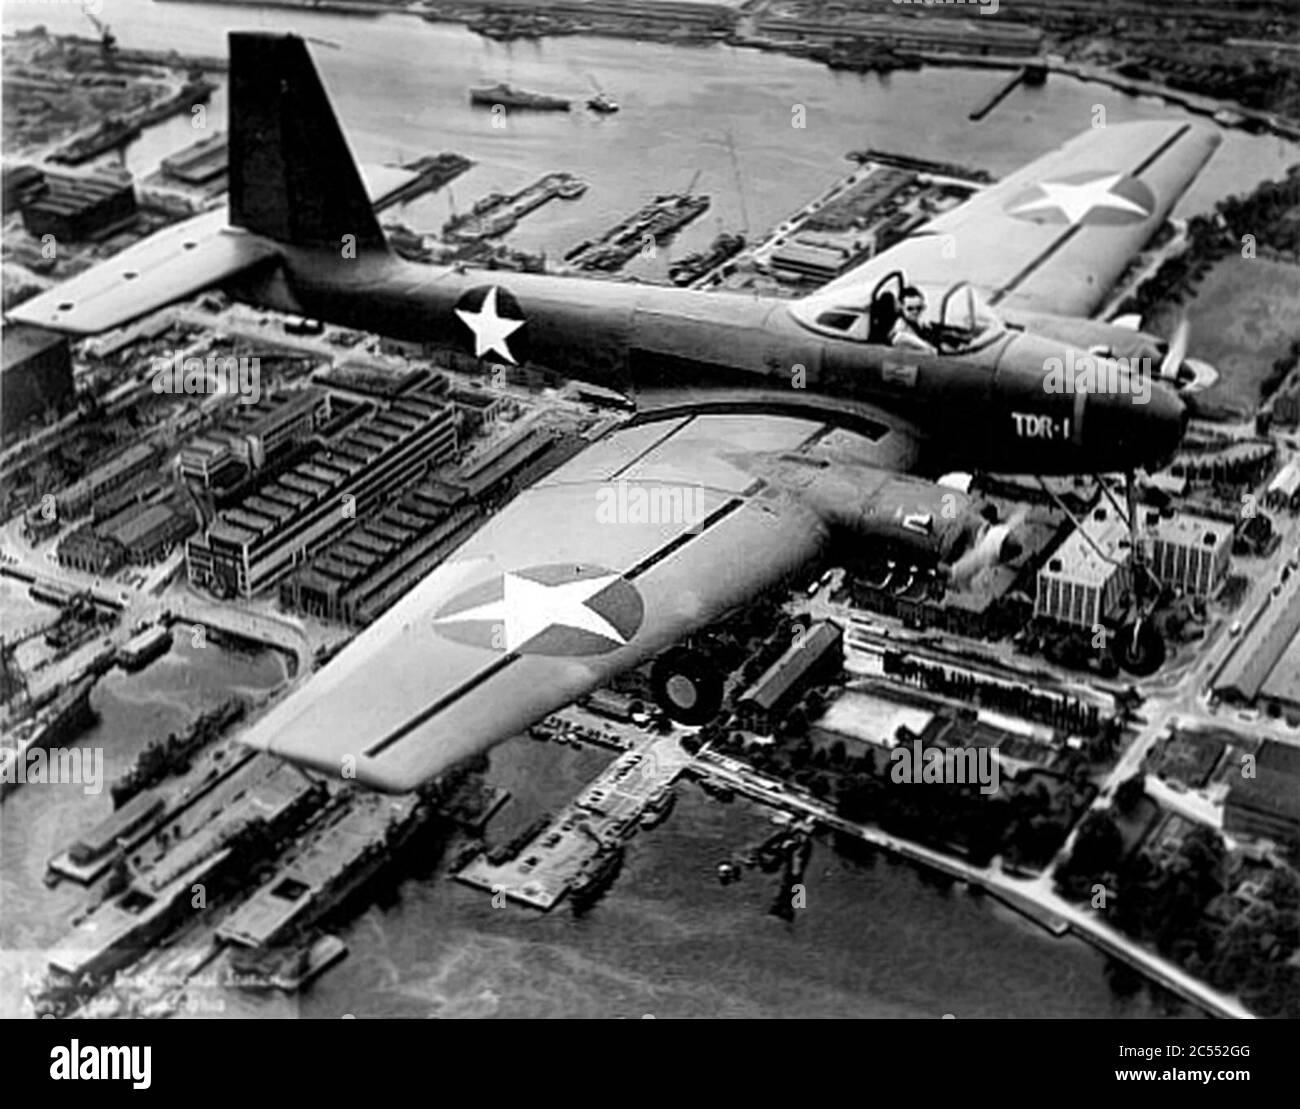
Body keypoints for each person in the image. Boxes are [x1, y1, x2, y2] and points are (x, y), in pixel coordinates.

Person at [890, 286, 935, 352]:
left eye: (919, 308)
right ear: (902, 307)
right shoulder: (900, 325)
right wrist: (927, 347)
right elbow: (898, 338)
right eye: (910, 309)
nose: (915, 312)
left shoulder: (921, 323)